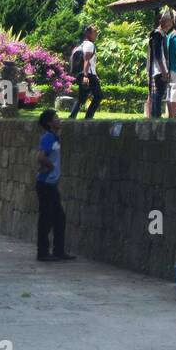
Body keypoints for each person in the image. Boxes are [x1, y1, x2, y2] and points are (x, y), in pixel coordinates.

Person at [34, 109, 75, 262]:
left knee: (58, 217)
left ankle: (58, 251)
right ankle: (43, 252)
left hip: (51, 184)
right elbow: (40, 157)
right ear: (50, 123)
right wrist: (50, 167)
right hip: (45, 184)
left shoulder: (54, 138)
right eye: (56, 117)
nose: (59, 119)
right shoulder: (48, 138)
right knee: (47, 218)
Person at [68, 24, 102, 120]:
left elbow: (89, 62)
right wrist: (86, 76)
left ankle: (72, 116)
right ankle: (88, 116)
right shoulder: (90, 45)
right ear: (89, 34)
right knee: (99, 96)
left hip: (85, 74)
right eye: (95, 33)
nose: (96, 35)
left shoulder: (82, 44)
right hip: (88, 75)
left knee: (82, 98)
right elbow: (86, 60)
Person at [147, 11, 171, 119]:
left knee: (160, 93)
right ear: (163, 22)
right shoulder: (158, 34)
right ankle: (156, 115)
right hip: (159, 69)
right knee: (158, 93)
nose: (170, 23)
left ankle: (156, 114)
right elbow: (158, 54)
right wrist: (163, 70)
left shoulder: (162, 35)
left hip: (161, 68)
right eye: (168, 20)